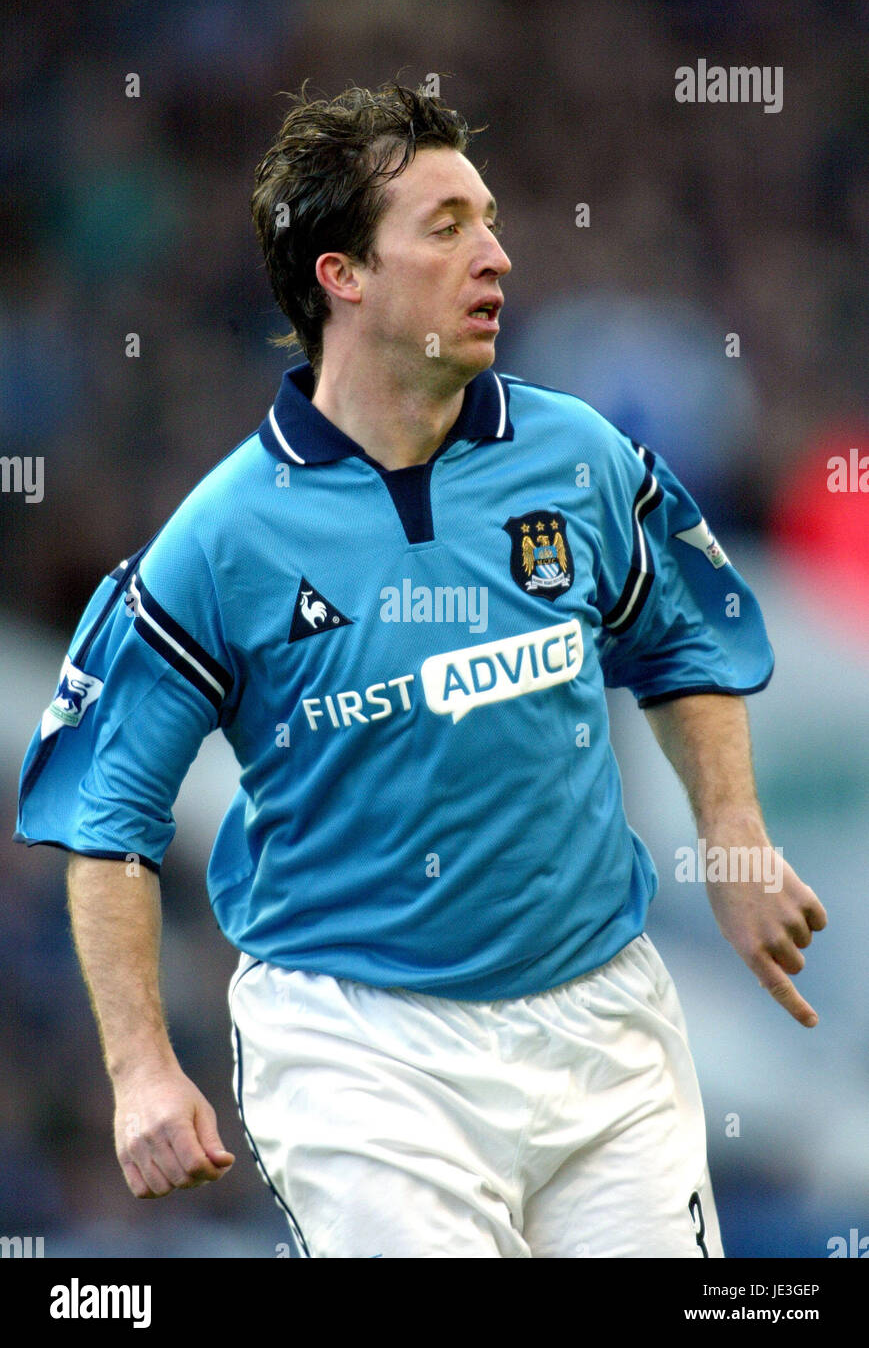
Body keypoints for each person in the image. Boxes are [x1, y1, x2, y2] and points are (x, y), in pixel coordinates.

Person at [15, 82, 827, 1259]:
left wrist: (734, 838)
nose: (495, 254)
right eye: (446, 227)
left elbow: (682, 637)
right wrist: (140, 1065)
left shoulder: (577, 456)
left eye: (488, 219)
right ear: (341, 274)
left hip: (602, 1025)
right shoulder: (222, 538)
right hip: (361, 1057)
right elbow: (107, 808)